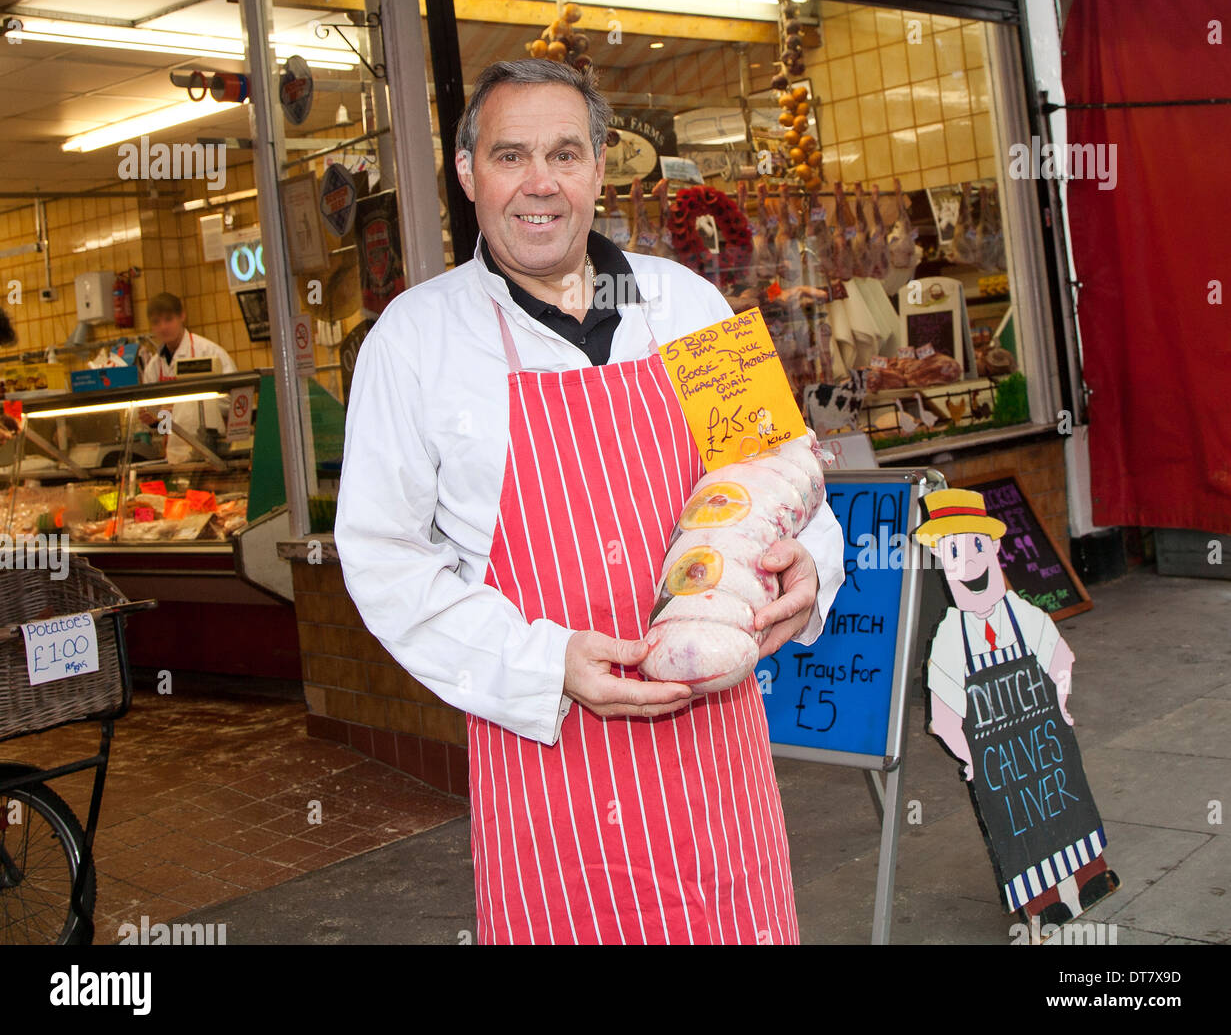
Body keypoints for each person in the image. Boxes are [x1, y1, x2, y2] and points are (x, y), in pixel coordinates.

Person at [335, 58, 847, 946]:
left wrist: (814, 568)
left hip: (713, 749)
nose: (541, 184)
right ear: (466, 175)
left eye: (565, 154)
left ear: (599, 168)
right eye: (510, 155)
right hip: (549, 753)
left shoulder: (687, 304)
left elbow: (780, 476)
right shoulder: (414, 340)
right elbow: (384, 556)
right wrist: (540, 666)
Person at [918, 488, 1116, 925]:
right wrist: (968, 757)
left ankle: (1090, 871)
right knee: (1016, 823)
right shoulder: (951, 638)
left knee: (1067, 803)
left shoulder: (1024, 614)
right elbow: (944, 713)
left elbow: (1059, 659)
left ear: (993, 548)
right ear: (941, 561)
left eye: (974, 545)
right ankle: (1042, 900)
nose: (967, 562)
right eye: (953, 551)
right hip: (997, 768)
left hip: (1048, 748)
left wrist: (1061, 706)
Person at [141, 292, 237, 463]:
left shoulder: (209, 352)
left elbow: (233, 402)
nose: (163, 327)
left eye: (168, 319)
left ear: (182, 316)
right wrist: (153, 421)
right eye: (156, 322)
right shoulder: (153, 367)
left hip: (214, 448)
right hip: (174, 453)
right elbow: (162, 427)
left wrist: (180, 407)